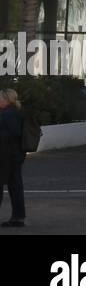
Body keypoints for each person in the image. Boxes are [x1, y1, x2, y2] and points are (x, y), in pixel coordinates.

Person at [0, 89, 25, 227]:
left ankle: (18, 218)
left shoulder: (9, 114)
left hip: (8, 156)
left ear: (6, 99)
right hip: (13, 156)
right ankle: (18, 217)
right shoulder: (13, 112)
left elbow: (14, 133)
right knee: (15, 186)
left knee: (14, 186)